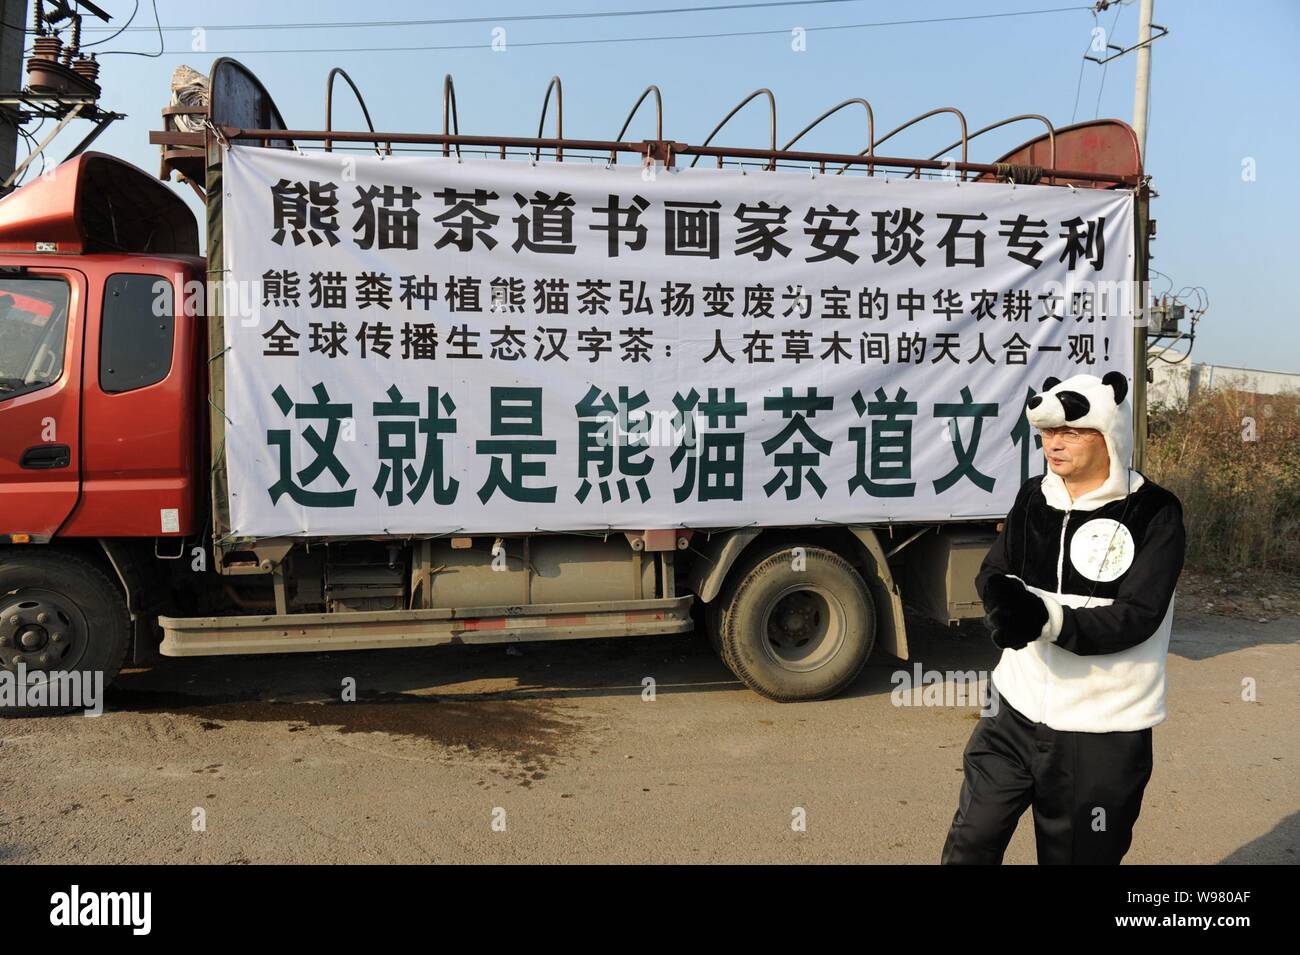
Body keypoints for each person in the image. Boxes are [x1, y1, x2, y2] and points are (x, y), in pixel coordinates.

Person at [941, 371, 1186, 865]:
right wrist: (1002, 602)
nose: (1054, 444)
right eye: (1048, 433)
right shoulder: (1034, 496)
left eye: (1071, 433)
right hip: (1013, 712)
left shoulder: (1155, 513)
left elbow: (1137, 617)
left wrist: (1047, 620)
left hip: (1102, 731)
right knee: (971, 841)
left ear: (1109, 436)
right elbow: (995, 570)